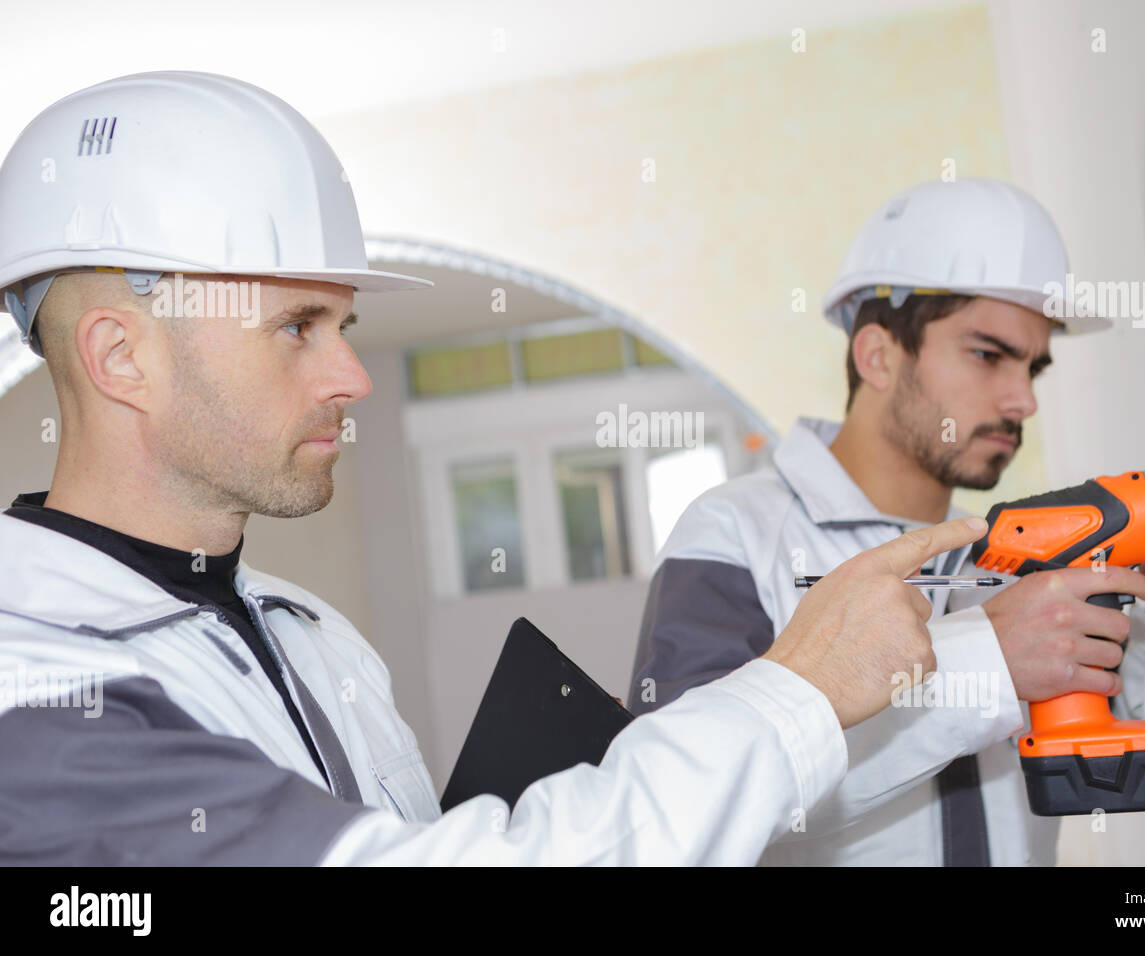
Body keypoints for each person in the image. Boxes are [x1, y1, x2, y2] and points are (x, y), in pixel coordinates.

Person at [0, 71, 988, 866]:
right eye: (296, 327)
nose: (351, 376)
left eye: (343, 325)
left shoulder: (319, 640)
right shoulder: (33, 682)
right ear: (120, 355)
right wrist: (797, 685)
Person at [627, 178, 1145, 866]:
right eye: (988, 354)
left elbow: (1127, 745)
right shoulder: (736, 533)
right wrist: (984, 664)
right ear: (878, 356)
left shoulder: (1012, 555)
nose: (1022, 400)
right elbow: (694, 797)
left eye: (1033, 367)